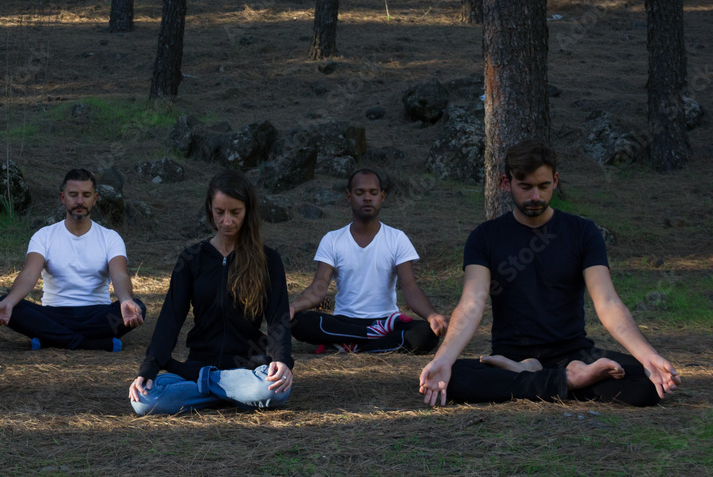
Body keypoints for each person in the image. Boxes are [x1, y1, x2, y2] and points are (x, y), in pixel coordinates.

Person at [419, 140, 681, 408]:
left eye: (543, 186)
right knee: (451, 378)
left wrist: (648, 356)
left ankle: (534, 376)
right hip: (511, 355)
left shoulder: (582, 232)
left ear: (555, 181)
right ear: (505, 183)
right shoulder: (484, 237)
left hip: (573, 352)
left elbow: (608, 302)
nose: (535, 196)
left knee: (646, 385)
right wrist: (443, 358)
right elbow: (472, 303)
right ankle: (569, 380)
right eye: (526, 187)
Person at [129, 170, 293, 415]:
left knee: (272, 389)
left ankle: (206, 388)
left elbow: (279, 318)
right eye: (220, 212)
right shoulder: (191, 258)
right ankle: (232, 395)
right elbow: (170, 319)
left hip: (247, 370)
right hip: (199, 364)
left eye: (235, 212)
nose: (226, 221)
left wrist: (282, 360)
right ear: (210, 209)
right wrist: (149, 368)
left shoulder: (268, 260)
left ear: (247, 211)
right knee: (142, 401)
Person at [289, 168, 447, 354]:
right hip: (344, 321)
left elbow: (410, 287)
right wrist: (293, 307)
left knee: (425, 333)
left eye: (373, 193)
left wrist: (431, 315)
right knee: (298, 322)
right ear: (349, 196)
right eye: (359, 193)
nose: (367, 198)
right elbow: (318, 289)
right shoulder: (332, 239)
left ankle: (346, 343)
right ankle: (371, 339)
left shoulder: (397, 238)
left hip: (386, 321)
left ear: (382, 196)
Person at [0, 169, 146, 351]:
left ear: (95, 199)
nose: (80, 201)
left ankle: (52, 337)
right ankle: (92, 342)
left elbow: (119, 274)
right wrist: (9, 302)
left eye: (86, 195)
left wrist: (126, 300)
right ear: (63, 198)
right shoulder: (44, 236)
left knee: (138, 306)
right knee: (9, 304)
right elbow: (30, 274)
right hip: (54, 313)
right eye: (73, 195)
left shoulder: (111, 237)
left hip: (97, 313)